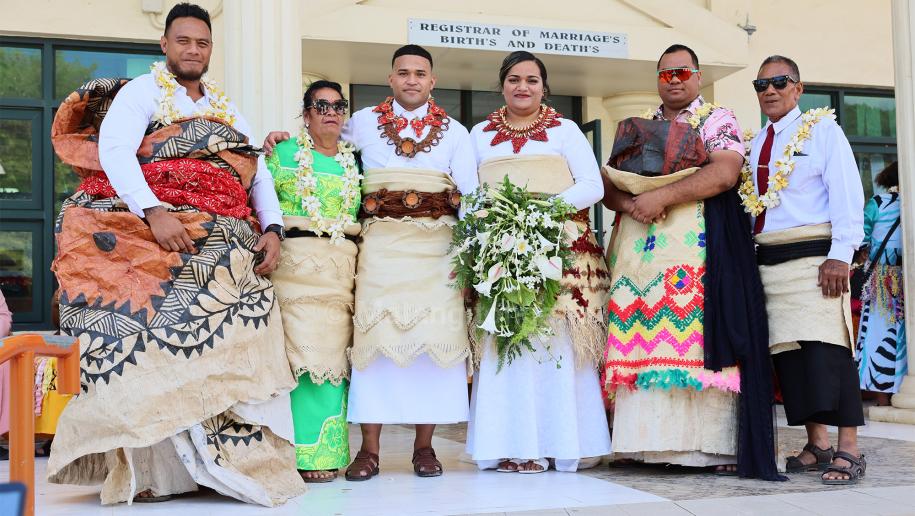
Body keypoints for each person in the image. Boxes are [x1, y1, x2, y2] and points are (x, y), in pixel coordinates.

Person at [46, 3, 303, 506]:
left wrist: (271, 227)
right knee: (153, 347)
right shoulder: (142, 92)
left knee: (236, 339)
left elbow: (258, 173)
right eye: (183, 40)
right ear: (164, 45)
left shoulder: (226, 106)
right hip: (155, 233)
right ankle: (155, 474)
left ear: (211, 50)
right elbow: (117, 152)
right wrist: (154, 212)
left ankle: (219, 467)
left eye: (202, 43)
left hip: (225, 239)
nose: (193, 50)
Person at [267, 44, 478, 481]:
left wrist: (469, 258)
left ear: (432, 81)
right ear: (391, 78)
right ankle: (369, 451)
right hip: (380, 245)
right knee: (372, 345)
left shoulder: (456, 132)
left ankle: (425, 448)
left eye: (420, 73)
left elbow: (470, 198)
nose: (412, 80)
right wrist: (281, 139)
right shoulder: (360, 123)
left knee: (432, 347)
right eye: (404, 72)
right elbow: (324, 151)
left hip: (437, 249)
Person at [602, 44, 781, 480]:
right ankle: (643, 445)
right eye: (666, 74)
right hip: (639, 254)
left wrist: (660, 196)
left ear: (698, 77)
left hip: (698, 253)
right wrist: (633, 203)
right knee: (642, 337)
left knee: (698, 342)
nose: (675, 80)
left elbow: (724, 173)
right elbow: (607, 187)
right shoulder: (641, 125)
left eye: (683, 72)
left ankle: (707, 447)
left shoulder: (717, 119)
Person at [464, 51, 611, 473]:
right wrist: (497, 226)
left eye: (531, 80)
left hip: (560, 252)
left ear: (544, 87)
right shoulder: (479, 134)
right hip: (500, 254)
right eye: (514, 79)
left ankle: (560, 444)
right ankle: (511, 446)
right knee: (507, 345)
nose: (522, 87)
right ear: (502, 85)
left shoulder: (565, 130)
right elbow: (470, 193)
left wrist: (538, 214)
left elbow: (591, 185)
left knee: (554, 346)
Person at [747, 55, 866, 484]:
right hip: (770, 263)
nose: (770, 91)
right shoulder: (755, 141)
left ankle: (849, 448)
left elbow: (847, 193)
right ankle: (817, 444)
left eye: (780, 82)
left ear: (798, 88)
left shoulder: (822, 131)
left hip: (818, 260)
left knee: (828, 353)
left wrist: (841, 254)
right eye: (761, 84)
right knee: (792, 361)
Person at [265, 80, 360, 482]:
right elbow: (260, 199)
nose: (331, 113)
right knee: (294, 360)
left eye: (338, 106)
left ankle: (324, 455)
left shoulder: (356, 161)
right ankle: (289, 451)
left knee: (332, 361)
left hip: (340, 272)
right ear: (305, 115)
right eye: (321, 106)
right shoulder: (281, 153)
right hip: (291, 271)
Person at [856, 162, 906, 405]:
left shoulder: (877, 203)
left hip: (882, 280)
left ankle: (882, 398)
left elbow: (861, 239)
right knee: (900, 337)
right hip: (904, 276)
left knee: (877, 334)